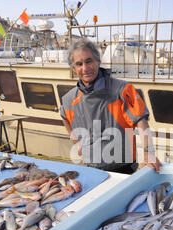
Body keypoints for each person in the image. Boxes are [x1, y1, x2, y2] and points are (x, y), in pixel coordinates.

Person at [60, 38, 162, 174]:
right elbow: (64, 117)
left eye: (88, 61)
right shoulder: (69, 99)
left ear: (98, 61)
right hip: (93, 169)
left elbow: (141, 121)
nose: (85, 68)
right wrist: (76, 143)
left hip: (124, 168)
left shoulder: (122, 90)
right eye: (79, 64)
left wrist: (149, 153)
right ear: (74, 68)